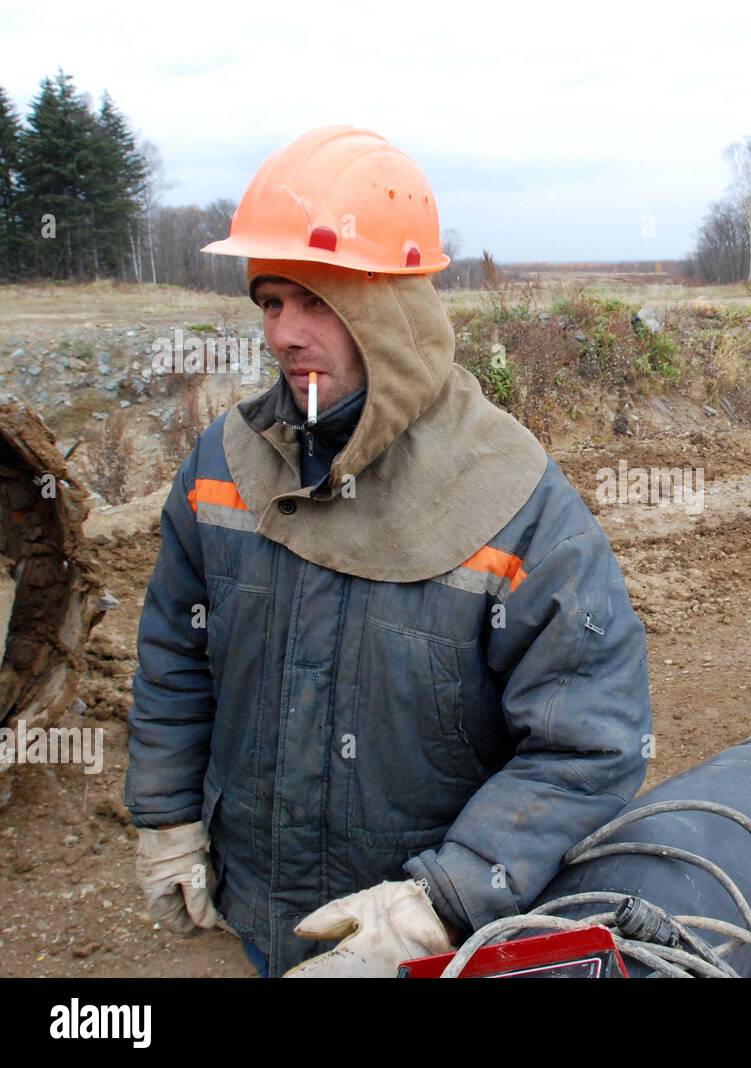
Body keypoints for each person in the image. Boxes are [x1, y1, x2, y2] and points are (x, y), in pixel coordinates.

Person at [125, 126, 653, 978]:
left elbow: (589, 742)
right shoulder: (221, 466)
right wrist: (167, 821)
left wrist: (438, 905)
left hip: (420, 943)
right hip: (258, 909)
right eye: (269, 302)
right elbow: (175, 660)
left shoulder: (515, 501)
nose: (286, 334)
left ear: (393, 311)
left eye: (318, 301)